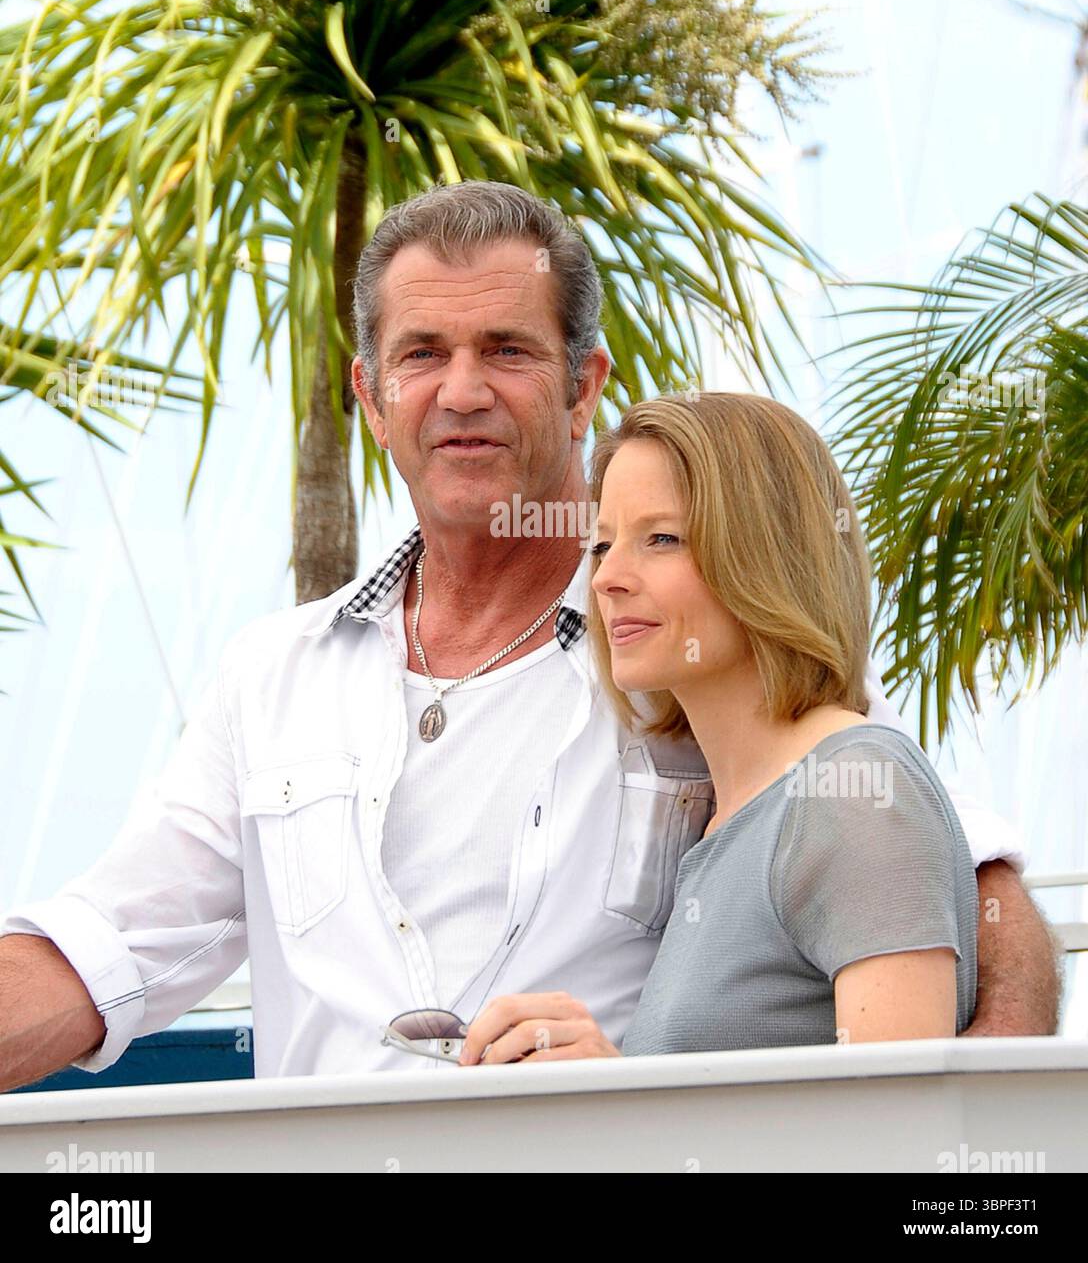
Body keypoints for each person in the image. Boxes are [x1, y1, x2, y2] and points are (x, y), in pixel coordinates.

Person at [0, 182, 1057, 1089]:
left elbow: (958, 886)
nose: (463, 391)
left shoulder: (699, 644)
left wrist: (978, 1143)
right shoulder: (269, 676)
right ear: (371, 396)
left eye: (506, 348)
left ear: (582, 384)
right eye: (422, 353)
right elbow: (104, 949)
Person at [458, 393, 980, 1065]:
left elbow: (899, 1135)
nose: (608, 578)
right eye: (603, 544)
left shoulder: (854, 794)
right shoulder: (727, 820)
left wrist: (620, 1101)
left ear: (770, 554)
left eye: (662, 539)